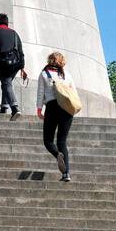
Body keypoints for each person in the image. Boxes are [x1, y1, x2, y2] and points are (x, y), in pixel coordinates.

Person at [37, 50, 76, 182]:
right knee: (62, 141)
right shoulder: (68, 75)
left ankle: (57, 154)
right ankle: (66, 174)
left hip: (52, 107)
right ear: (62, 62)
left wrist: (39, 109)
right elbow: (73, 94)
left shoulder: (44, 74)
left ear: (50, 60)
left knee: (48, 141)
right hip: (67, 109)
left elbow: (40, 93)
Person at [0, 12, 27, 119]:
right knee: (6, 83)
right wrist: (22, 68)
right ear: (6, 22)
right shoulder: (14, 33)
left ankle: (14, 108)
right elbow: (21, 51)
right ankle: (3, 108)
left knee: (6, 84)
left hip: (3, 62)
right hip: (16, 63)